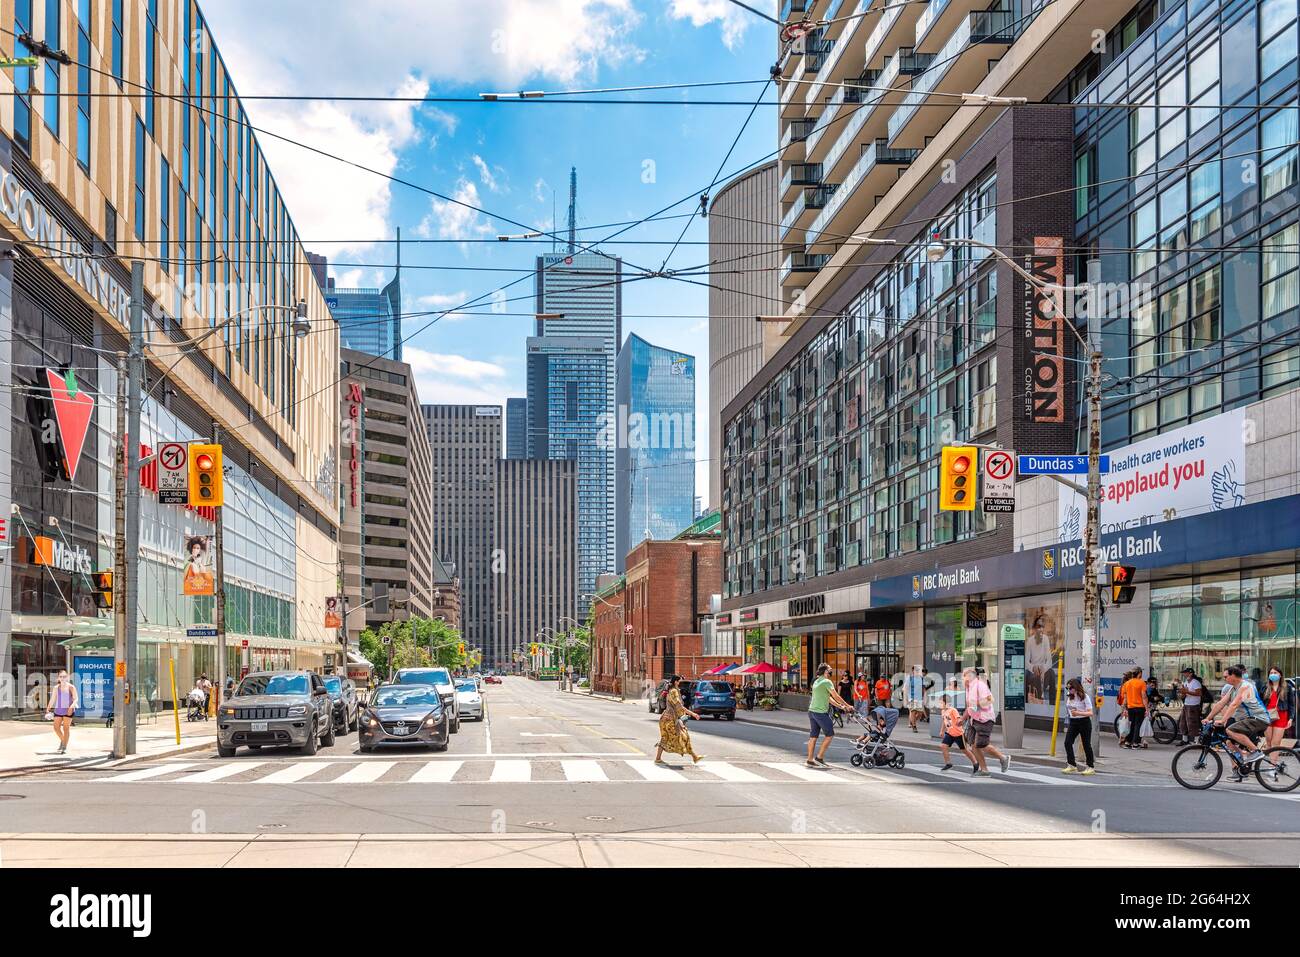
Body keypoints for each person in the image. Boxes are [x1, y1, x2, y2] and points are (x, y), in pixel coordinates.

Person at [1207, 665, 1269, 771]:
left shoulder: (1245, 686)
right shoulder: (1233, 688)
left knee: (1230, 730)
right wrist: (1208, 718)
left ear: (1233, 675)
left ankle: (1256, 752)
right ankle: (1240, 767)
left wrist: (1222, 720)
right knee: (1229, 742)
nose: (1224, 679)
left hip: (1258, 718)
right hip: (1246, 720)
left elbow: (1234, 705)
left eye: (1226, 676)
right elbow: (1221, 703)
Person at [962, 667, 1010, 776]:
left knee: (982, 744)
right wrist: (963, 719)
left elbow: (989, 699)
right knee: (973, 745)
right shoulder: (969, 688)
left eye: (964, 676)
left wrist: (977, 704)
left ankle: (1003, 758)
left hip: (984, 719)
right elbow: (970, 706)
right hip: (974, 719)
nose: (962, 679)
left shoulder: (980, 686)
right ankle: (984, 770)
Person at [806, 662, 851, 768]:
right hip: (820, 713)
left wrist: (841, 707)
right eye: (830, 669)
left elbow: (828, 698)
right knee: (830, 734)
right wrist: (847, 705)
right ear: (826, 671)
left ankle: (809, 760)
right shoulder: (827, 681)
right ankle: (819, 758)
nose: (831, 670)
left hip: (812, 712)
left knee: (813, 736)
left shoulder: (817, 681)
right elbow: (835, 696)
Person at [654, 674, 702, 765]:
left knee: (674, 737)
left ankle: (694, 756)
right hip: (669, 720)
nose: (680, 683)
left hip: (667, 719)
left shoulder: (674, 691)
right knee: (678, 737)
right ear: (676, 682)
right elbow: (679, 706)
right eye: (679, 681)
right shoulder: (673, 692)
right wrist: (693, 714)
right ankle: (694, 756)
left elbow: (679, 707)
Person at [1061, 678, 1096, 775]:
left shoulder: (1085, 697)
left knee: (1086, 744)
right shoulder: (1070, 697)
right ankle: (1071, 764)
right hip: (1073, 722)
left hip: (1084, 722)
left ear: (1076, 687)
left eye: (1071, 688)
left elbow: (1090, 712)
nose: (1069, 690)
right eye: (1068, 688)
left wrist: (1078, 713)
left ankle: (1090, 766)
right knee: (1067, 742)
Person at [44, 669, 78, 755]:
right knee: (56, 728)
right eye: (61, 677)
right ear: (58, 678)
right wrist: (48, 708)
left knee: (66, 728)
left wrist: (71, 706)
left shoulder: (71, 687)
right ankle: (63, 741)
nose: (63, 678)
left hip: (68, 710)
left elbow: (76, 699)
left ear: (67, 677)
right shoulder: (56, 688)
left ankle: (64, 747)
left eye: (64, 676)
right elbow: (53, 699)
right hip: (58, 710)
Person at [938, 693, 974, 771]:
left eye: (941, 702)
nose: (940, 704)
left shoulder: (953, 710)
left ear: (946, 703)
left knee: (965, 750)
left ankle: (975, 763)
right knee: (943, 746)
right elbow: (944, 721)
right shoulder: (943, 711)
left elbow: (958, 718)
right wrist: (942, 730)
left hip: (959, 734)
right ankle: (948, 763)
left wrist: (959, 721)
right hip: (950, 733)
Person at [1262, 665, 1295, 750]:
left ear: (1280, 675)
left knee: (1276, 743)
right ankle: (1270, 762)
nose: (1273, 674)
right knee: (1268, 742)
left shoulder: (1287, 687)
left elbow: (1291, 705)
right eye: (1271, 673)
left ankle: (1273, 763)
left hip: (1281, 716)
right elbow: (1260, 702)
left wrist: (1290, 718)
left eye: (1275, 673)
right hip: (1267, 716)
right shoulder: (1265, 687)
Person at [1119, 667, 1149, 749]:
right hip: (1140, 707)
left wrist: (1124, 709)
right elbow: (1144, 697)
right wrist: (1147, 709)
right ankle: (1136, 743)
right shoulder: (1142, 683)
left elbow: (1125, 698)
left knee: (1131, 725)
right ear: (1139, 673)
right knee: (1138, 725)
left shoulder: (1127, 683)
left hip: (1130, 707)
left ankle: (1128, 742)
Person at [1176, 668, 1204, 745]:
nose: (1184, 674)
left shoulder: (1195, 682)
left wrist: (1187, 691)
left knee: (1193, 723)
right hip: (1186, 704)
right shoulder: (1185, 683)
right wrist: (1182, 693)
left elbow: (1199, 693)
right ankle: (1184, 740)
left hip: (1193, 705)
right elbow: (1184, 695)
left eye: (1185, 673)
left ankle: (1196, 741)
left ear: (1190, 673)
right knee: (1183, 722)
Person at [904, 666, 928, 732]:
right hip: (911, 698)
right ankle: (914, 726)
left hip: (919, 698)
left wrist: (924, 697)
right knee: (913, 712)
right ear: (913, 671)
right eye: (916, 670)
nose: (917, 672)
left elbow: (923, 688)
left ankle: (912, 721)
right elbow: (906, 688)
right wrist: (906, 698)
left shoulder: (921, 678)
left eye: (918, 670)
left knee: (920, 714)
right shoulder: (909, 678)